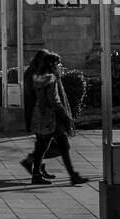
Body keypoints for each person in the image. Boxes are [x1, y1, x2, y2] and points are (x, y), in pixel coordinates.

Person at [30, 51, 87, 187]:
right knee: (48, 147)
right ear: (51, 64)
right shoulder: (51, 79)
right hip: (52, 118)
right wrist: (65, 115)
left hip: (43, 116)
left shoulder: (40, 77)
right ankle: (38, 174)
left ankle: (71, 175)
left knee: (53, 146)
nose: (60, 66)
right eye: (58, 63)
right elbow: (54, 100)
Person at [21, 50, 54, 181]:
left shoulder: (36, 72)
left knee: (44, 142)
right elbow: (35, 95)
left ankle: (37, 166)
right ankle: (36, 171)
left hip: (39, 112)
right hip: (39, 113)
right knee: (45, 143)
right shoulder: (34, 74)